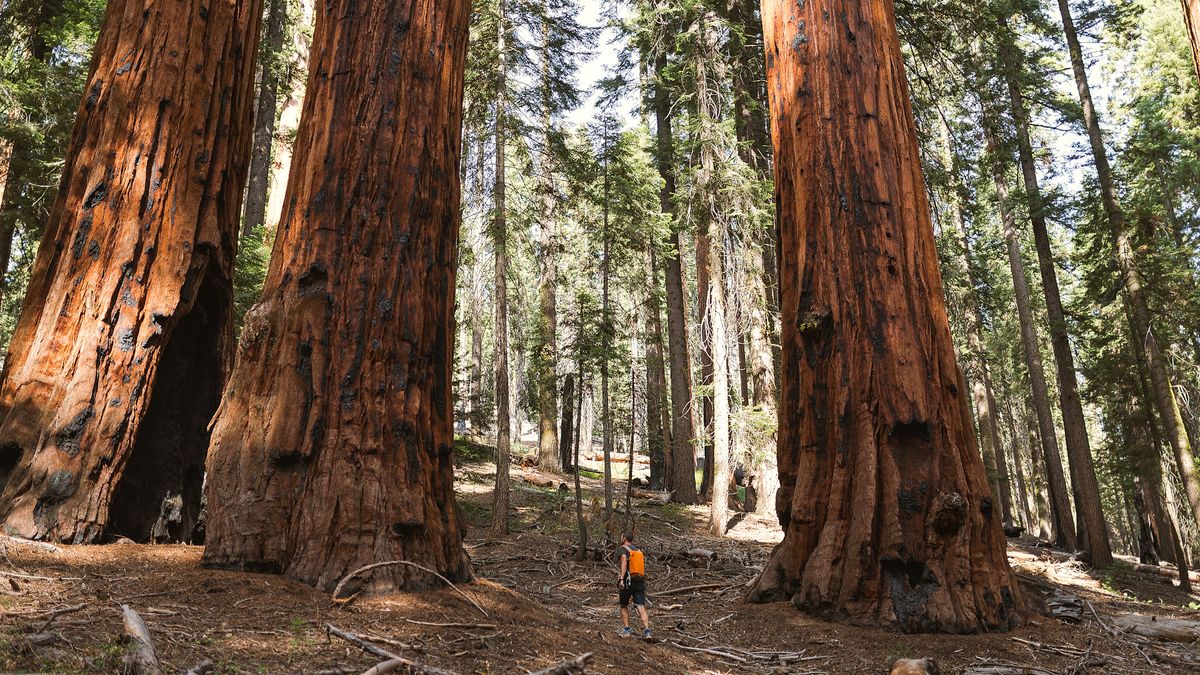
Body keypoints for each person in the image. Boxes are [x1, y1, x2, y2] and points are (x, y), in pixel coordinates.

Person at [616, 530, 651, 638]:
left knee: (623, 605)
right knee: (641, 606)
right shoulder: (638, 551)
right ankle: (647, 631)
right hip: (639, 581)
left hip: (627, 582)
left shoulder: (622, 549)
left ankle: (627, 630)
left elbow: (624, 562)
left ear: (624, 539)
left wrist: (621, 579)